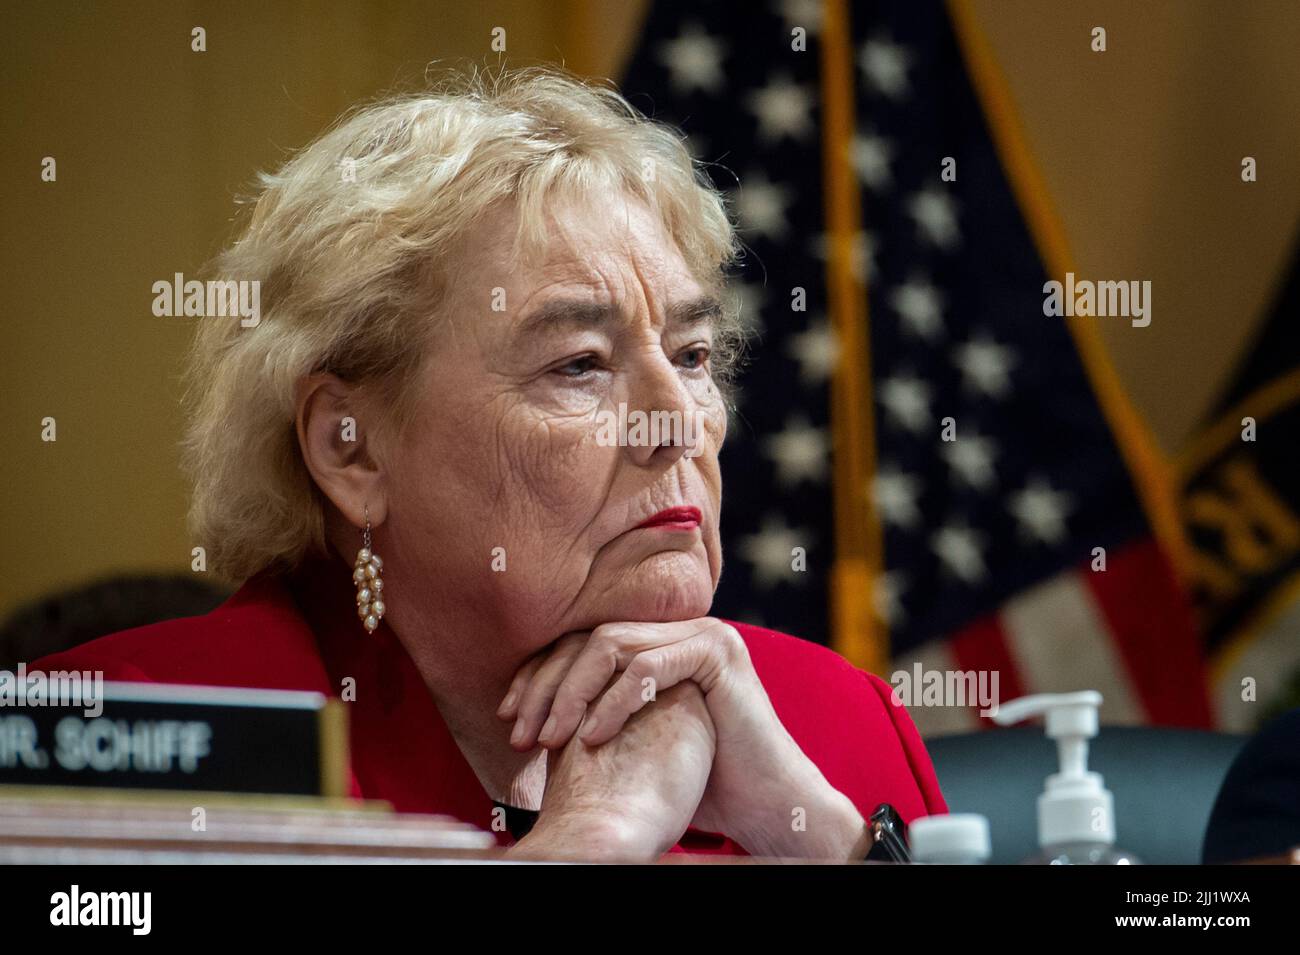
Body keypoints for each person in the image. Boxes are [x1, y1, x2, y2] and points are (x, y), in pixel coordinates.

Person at [35, 66, 946, 861]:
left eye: (694, 355)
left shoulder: (836, 723)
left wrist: (829, 842)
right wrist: (585, 848)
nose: (679, 423)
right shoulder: (128, 741)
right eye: (579, 364)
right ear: (349, 449)